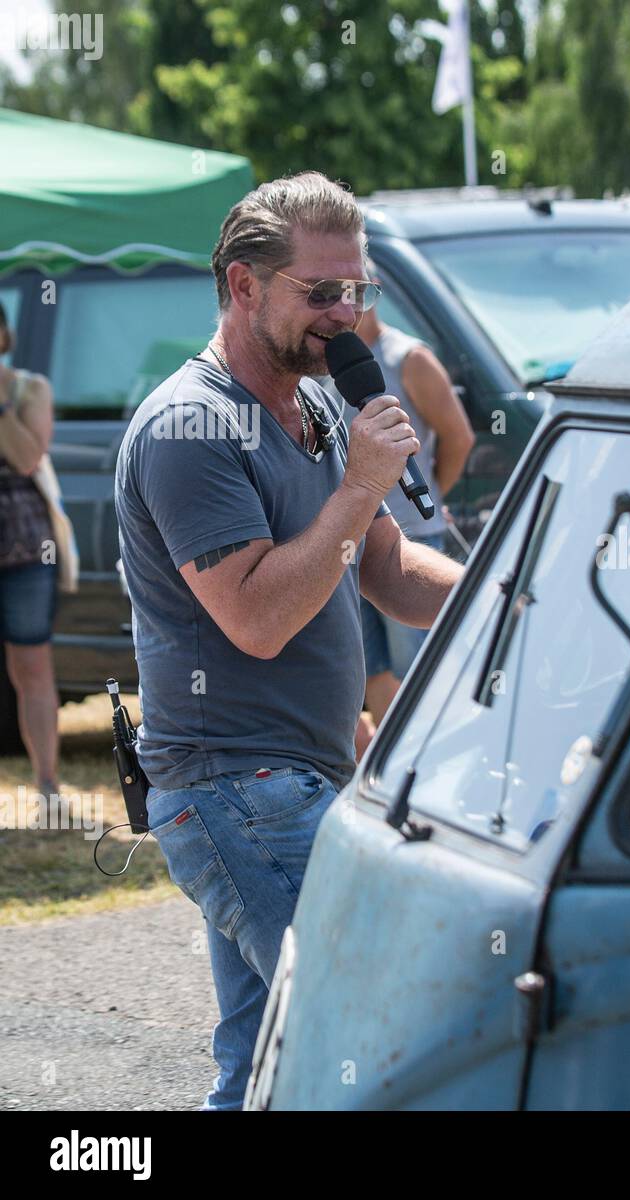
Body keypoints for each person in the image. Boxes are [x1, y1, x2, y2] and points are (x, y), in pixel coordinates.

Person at [114, 171, 463, 1110]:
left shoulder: (313, 408)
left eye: (358, 291)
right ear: (243, 286)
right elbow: (257, 618)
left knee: (263, 1064)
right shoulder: (191, 426)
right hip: (234, 786)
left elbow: (384, 570)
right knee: (373, 1025)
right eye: (321, 291)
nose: (345, 313)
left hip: (294, 780)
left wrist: (505, 595)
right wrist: (358, 489)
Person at [346, 270, 473, 757]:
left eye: (360, 290)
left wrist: (431, 497)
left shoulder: (409, 359)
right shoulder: (324, 364)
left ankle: (433, 760)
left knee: (419, 666)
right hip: (350, 538)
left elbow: (458, 436)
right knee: (373, 667)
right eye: (335, 291)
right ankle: (396, 761)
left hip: (413, 539)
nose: (350, 304)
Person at [0, 300, 62, 811]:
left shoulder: (29, 388)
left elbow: (26, 457)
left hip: (23, 544)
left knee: (32, 666)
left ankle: (46, 785)